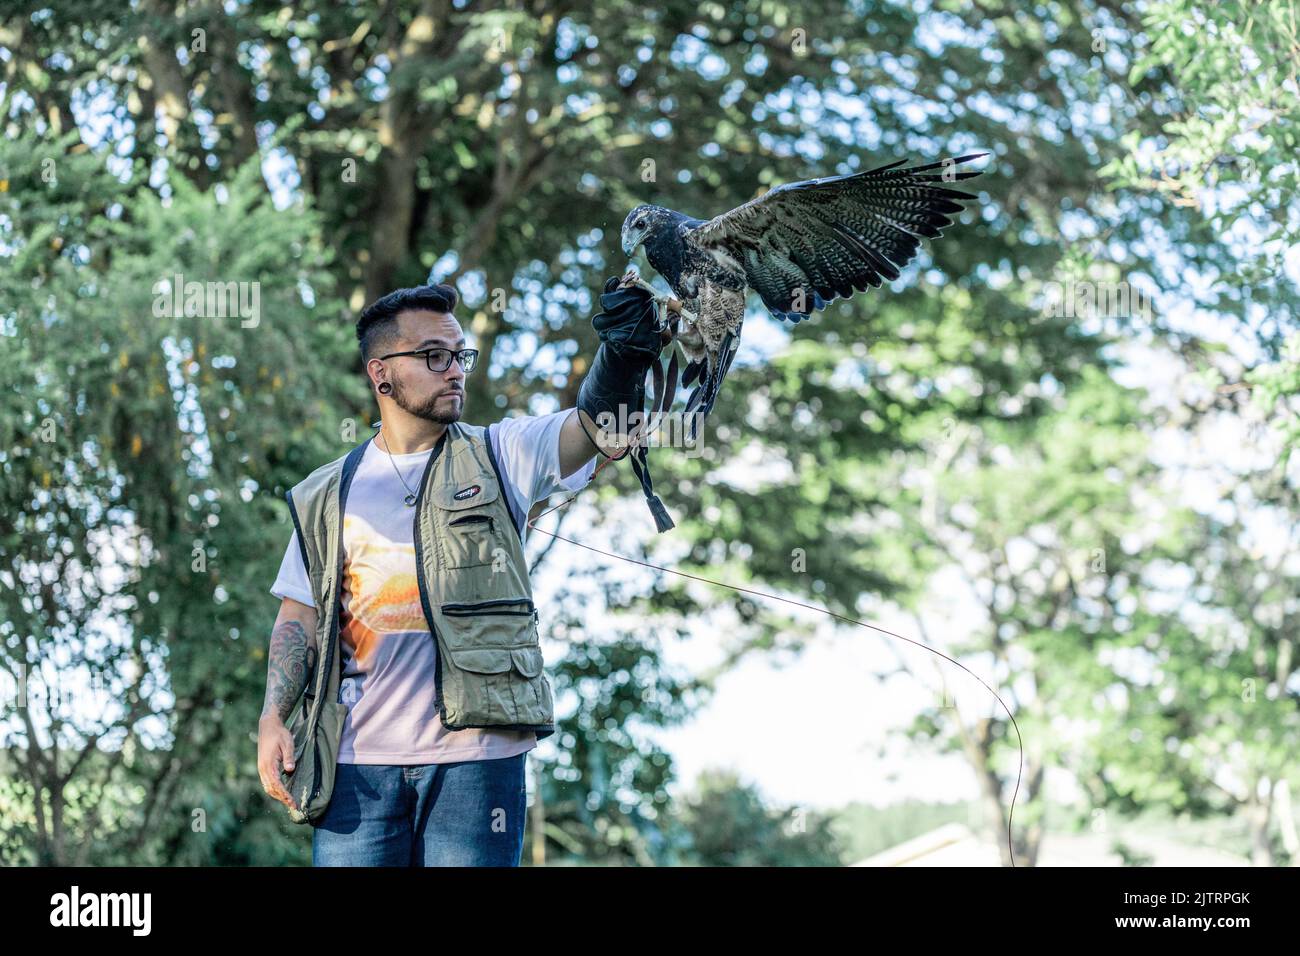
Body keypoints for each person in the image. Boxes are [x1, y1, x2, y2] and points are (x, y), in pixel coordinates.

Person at [255, 272, 665, 866]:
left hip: (478, 760)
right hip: (356, 768)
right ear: (382, 374)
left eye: (459, 355)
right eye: (434, 356)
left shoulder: (502, 453)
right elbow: (298, 615)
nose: (455, 369)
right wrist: (273, 717)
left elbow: (597, 428)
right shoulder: (328, 494)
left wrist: (624, 353)